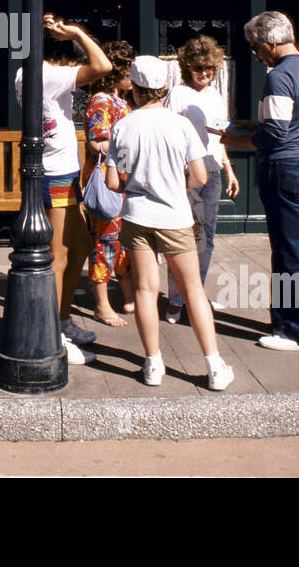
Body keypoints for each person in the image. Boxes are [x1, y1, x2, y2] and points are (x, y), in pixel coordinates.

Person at [104, 56, 234, 390]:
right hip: (175, 216)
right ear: (164, 87)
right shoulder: (181, 125)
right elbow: (200, 176)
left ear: (133, 87)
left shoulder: (123, 126)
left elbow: (112, 184)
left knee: (146, 290)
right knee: (193, 291)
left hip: (136, 216)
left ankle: (152, 363)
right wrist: (176, 184)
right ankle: (214, 366)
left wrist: (136, 182)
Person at [223, 11, 299, 352]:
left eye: (255, 48)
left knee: (289, 251)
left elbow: (275, 132)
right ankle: (287, 324)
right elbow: (293, 122)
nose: (255, 55)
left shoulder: (279, 76)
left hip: (287, 169)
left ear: (270, 43)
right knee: (291, 247)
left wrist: (230, 138)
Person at [14, 15, 112, 364]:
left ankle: (62, 319)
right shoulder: (50, 75)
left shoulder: (25, 73)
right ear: (64, 57)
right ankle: (50, 333)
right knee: (59, 255)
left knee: (81, 245)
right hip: (56, 174)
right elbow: (103, 65)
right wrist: (79, 33)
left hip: (60, 172)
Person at [165, 34, 240, 322]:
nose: (205, 73)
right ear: (187, 67)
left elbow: (220, 137)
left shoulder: (215, 95)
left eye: (209, 68)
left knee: (207, 240)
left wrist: (229, 169)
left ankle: (194, 294)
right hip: (184, 174)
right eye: (199, 67)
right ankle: (175, 297)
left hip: (211, 173)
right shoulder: (178, 95)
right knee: (182, 237)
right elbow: (170, 137)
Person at [82, 40, 136, 327]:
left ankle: (128, 295)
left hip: (120, 180)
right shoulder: (102, 101)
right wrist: (124, 155)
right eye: (130, 69)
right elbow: (95, 143)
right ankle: (102, 305)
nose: (134, 75)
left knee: (120, 240)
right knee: (103, 241)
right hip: (107, 181)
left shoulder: (122, 102)